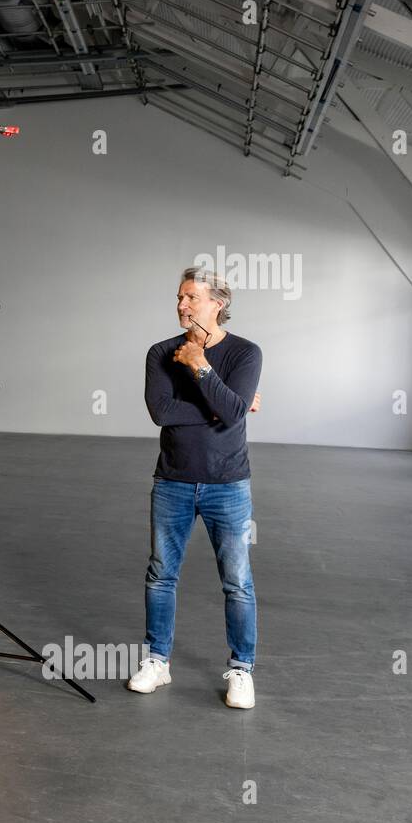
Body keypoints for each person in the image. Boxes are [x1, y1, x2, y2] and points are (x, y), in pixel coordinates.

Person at [128, 267, 263, 708]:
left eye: (191, 297)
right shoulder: (161, 352)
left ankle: (241, 670)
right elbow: (162, 412)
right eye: (179, 297)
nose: (182, 305)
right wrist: (228, 406)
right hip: (173, 480)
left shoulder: (246, 353)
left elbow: (234, 414)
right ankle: (157, 662)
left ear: (217, 303)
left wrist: (201, 367)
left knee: (238, 581)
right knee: (161, 574)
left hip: (229, 483)